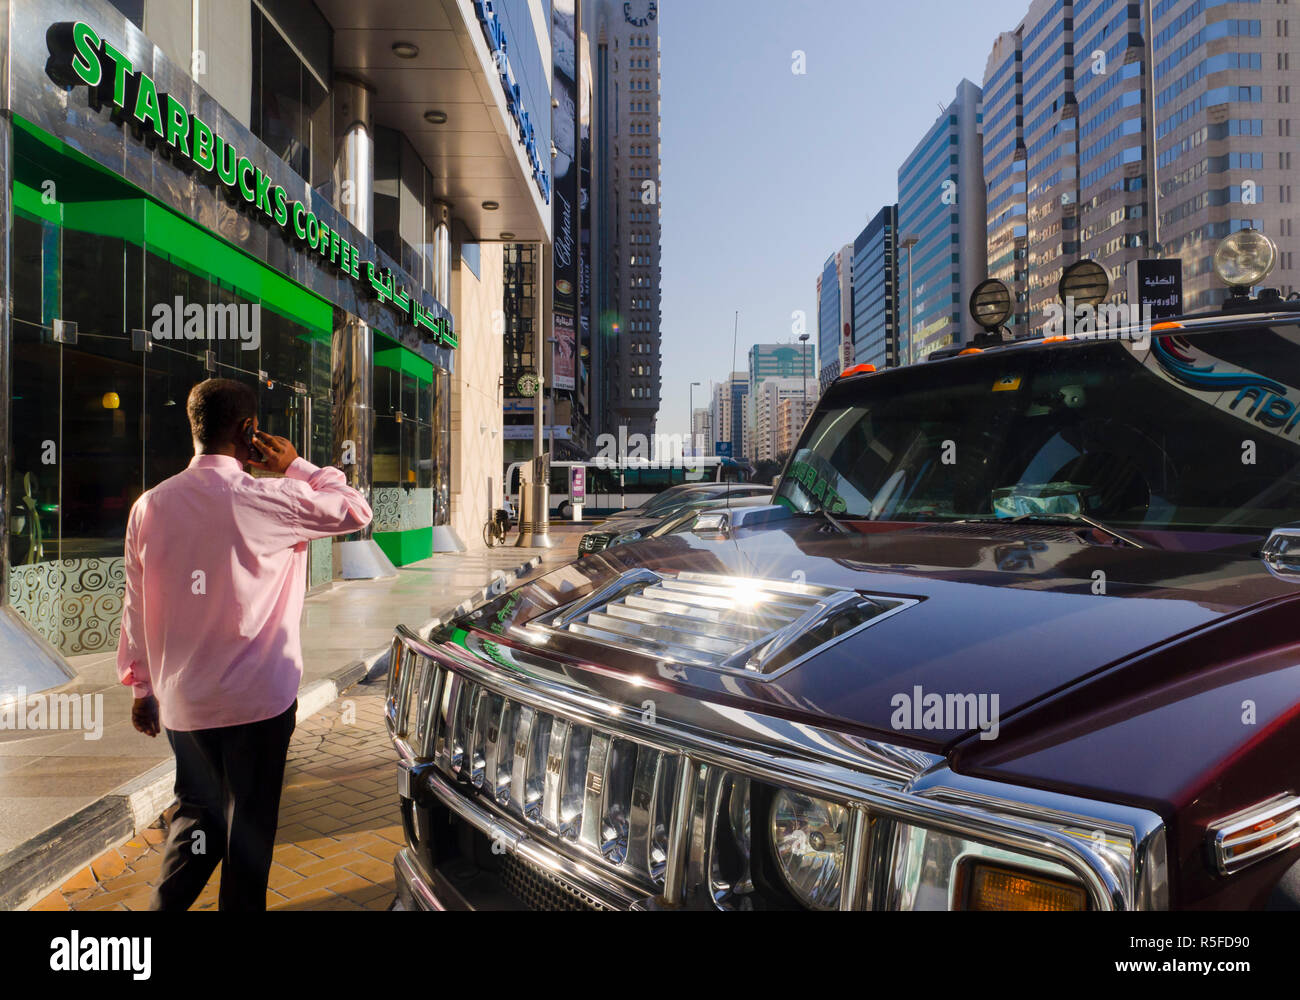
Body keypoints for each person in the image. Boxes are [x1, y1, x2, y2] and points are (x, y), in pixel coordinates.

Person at [117, 378, 372, 911]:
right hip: (257, 703)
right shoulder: (270, 497)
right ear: (250, 431)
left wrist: (141, 687)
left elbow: (135, 605)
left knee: (197, 817)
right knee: (246, 836)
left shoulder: (150, 506)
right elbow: (354, 510)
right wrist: (297, 465)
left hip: (184, 702)